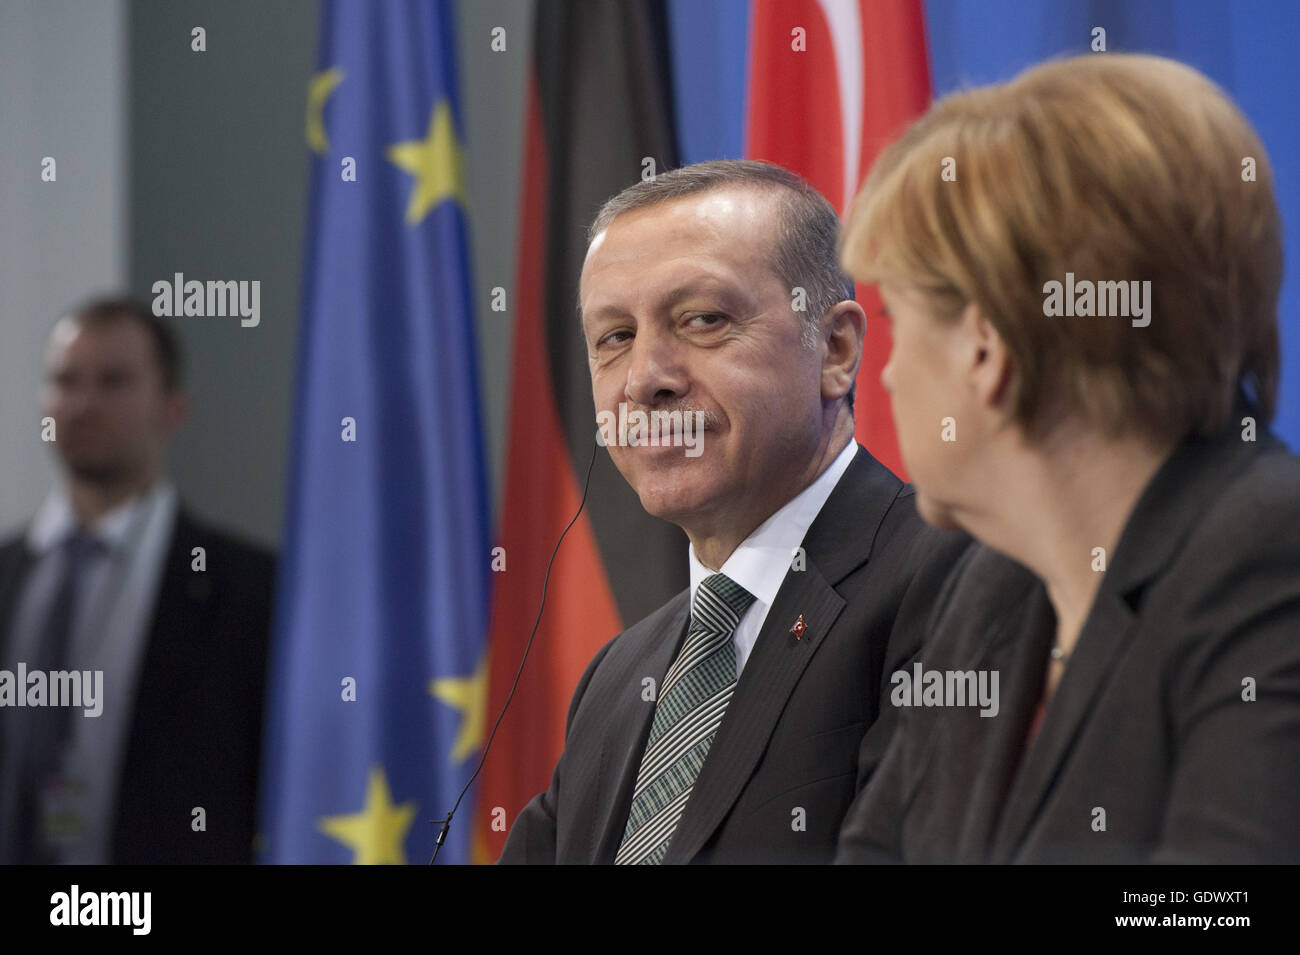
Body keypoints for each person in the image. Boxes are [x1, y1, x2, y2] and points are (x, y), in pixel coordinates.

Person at [835, 53, 1300, 864]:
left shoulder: (1268, 556)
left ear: (986, 348)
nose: (888, 371)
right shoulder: (991, 584)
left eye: (897, 321)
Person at [497, 160, 968, 864]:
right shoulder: (618, 679)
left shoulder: (955, 580)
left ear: (835, 351)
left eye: (703, 320)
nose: (645, 379)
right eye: (615, 337)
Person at [0, 296, 275, 863]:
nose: (82, 404)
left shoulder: (249, 590)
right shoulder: (9, 573)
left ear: (173, 408)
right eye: (64, 381)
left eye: (113, 382)